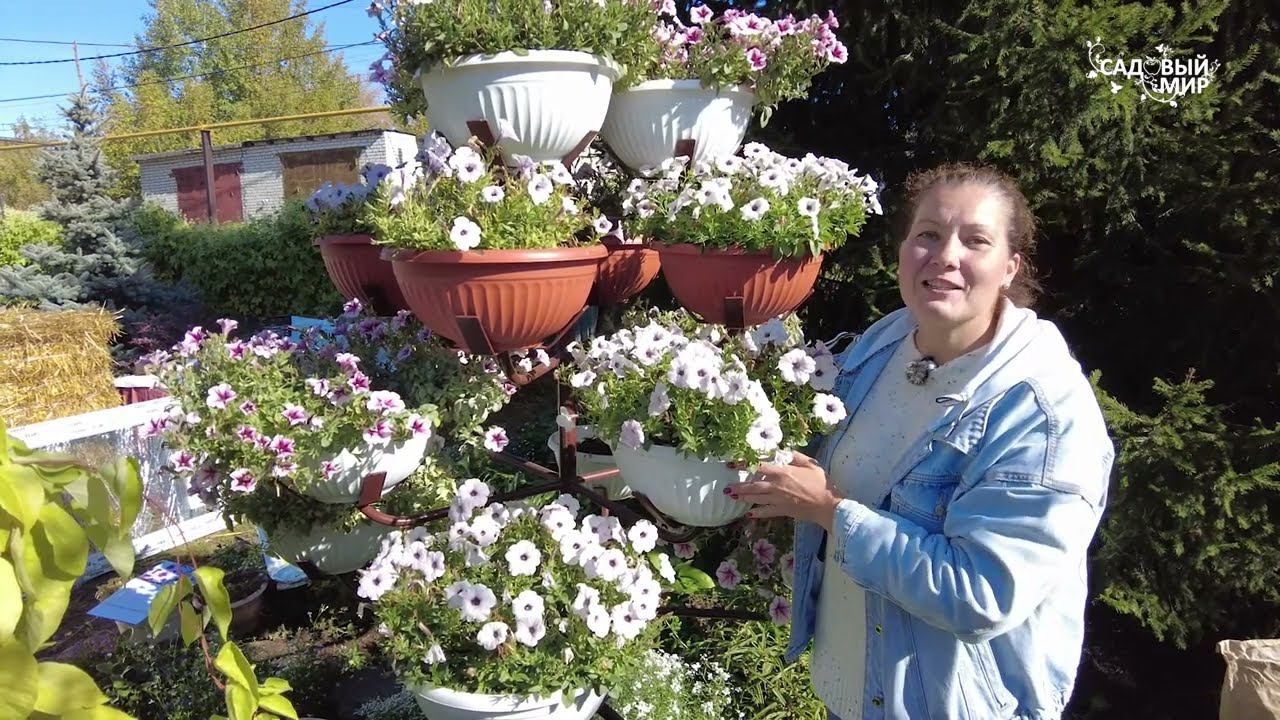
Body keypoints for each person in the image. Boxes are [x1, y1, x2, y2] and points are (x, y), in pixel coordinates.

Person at [730, 163, 1115, 719]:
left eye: (975, 240)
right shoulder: (885, 343)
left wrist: (831, 514)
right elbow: (836, 459)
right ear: (903, 250)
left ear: (1010, 267)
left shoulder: (1040, 414)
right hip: (856, 694)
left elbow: (981, 593)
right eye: (928, 235)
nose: (946, 256)